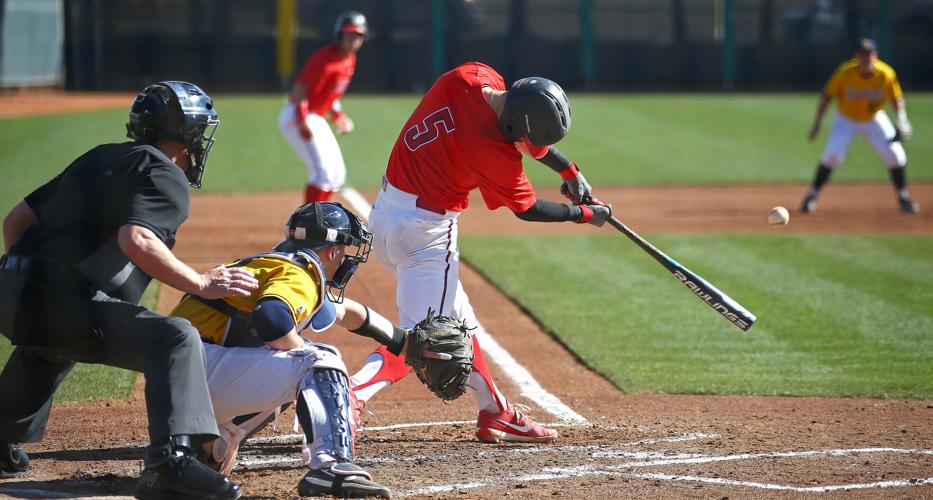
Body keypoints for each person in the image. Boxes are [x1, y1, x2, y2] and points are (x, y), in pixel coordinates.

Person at [0, 82, 258, 499]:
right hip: (58, 299)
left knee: (53, 337)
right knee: (175, 338)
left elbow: (15, 221)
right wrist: (201, 283)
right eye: (199, 130)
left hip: (9, 293)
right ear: (185, 133)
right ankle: (169, 465)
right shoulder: (165, 172)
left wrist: (32, 283)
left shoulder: (101, 156)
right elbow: (136, 239)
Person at [349, 62, 612, 444]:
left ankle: (495, 412)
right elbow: (528, 209)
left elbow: (520, 129)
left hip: (386, 216)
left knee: (461, 321)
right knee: (429, 340)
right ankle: (352, 395)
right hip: (425, 237)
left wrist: (568, 170)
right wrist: (584, 214)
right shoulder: (491, 152)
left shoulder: (472, 76)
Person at [171, 202, 434, 498]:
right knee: (318, 360)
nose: (346, 260)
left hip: (179, 383)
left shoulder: (275, 265)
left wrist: (402, 341)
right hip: (201, 375)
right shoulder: (299, 273)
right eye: (344, 251)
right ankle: (330, 465)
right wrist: (310, 367)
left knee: (292, 362)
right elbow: (272, 318)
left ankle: (209, 447)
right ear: (331, 251)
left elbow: (344, 312)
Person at [802, 38, 918, 214]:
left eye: (869, 54)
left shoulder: (885, 73)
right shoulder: (845, 72)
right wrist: (817, 124)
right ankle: (811, 195)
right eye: (862, 54)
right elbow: (827, 96)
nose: (866, 58)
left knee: (895, 155)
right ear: (856, 56)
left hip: (874, 118)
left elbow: (896, 98)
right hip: (846, 119)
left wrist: (902, 118)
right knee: (831, 156)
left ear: (875, 55)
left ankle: (904, 197)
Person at [279, 11, 368, 203]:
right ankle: (309, 218)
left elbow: (331, 95)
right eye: (349, 34)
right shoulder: (324, 59)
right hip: (298, 114)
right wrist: (302, 121)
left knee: (337, 175)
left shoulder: (350, 59)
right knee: (322, 173)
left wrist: (338, 116)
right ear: (340, 35)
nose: (353, 39)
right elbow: (299, 91)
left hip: (316, 117)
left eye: (358, 36)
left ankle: (319, 214)